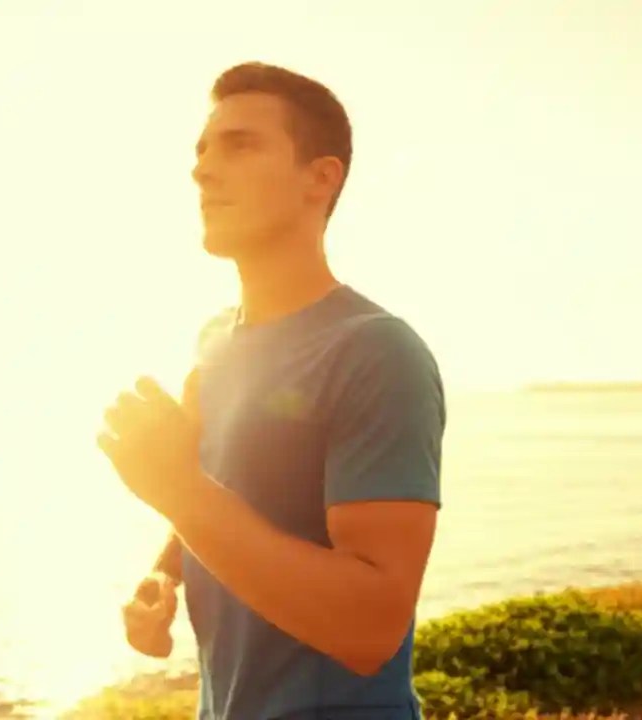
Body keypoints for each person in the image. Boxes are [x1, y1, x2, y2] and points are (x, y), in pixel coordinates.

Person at [97, 61, 445, 720]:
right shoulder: (212, 343)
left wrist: (174, 487)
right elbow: (217, 492)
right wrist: (163, 575)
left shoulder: (376, 352)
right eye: (201, 150)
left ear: (321, 177)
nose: (202, 170)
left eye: (241, 144)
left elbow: (371, 628)